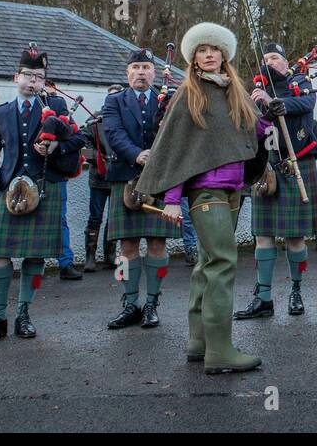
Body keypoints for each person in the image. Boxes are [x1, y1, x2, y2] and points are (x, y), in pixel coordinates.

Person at [134, 23, 265, 372]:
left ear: (224, 54)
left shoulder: (234, 92)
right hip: (206, 192)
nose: (208, 55)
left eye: (214, 49)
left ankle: (199, 342)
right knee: (223, 262)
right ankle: (220, 351)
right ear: (194, 57)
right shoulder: (189, 94)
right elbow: (177, 149)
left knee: (207, 263)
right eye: (202, 50)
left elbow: (249, 132)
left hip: (234, 188)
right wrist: (172, 198)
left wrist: (269, 115)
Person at [0, 46, 81, 343]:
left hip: (45, 187)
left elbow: (78, 138)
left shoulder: (56, 107)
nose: (33, 81)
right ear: (16, 76)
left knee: (35, 257)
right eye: (28, 75)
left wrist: (57, 146)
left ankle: (24, 313)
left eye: (39, 76)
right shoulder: (1, 112)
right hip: (9, 189)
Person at [235, 42, 317, 320]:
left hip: (296, 165)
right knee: (263, 237)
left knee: (295, 238)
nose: (270, 62)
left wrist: (278, 101)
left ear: (286, 63)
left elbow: (307, 102)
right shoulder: (257, 91)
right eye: (266, 58)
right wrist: (258, 100)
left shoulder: (300, 82)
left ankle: (296, 292)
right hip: (266, 168)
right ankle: (263, 298)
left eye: (275, 58)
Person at [103, 49, 179, 330]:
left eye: (146, 67)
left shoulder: (169, 99)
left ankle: (152, 304)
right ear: (127, 73)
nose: (141, 72)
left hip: (160, 181)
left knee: (158, 242)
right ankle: (129, 301)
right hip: (127, 177)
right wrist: (136, 154)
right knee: (127, 246)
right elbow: (113, 133)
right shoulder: (114, 101)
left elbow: (177, 134)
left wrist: (157, 158)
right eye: (135, 67)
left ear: (154, 73)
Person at [82, 83, 123, 272]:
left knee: (113, 218)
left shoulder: (125, 119)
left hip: (117, 177)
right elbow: (83, 142)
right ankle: (90, 257)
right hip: (98, 177)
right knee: (95, 217)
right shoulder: (95, 120)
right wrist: (97, 158)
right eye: (111, 97)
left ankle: (110, 255)